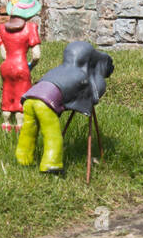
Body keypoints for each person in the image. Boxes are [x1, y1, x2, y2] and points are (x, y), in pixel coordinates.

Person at [16, 42, 114, 174]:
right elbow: (95, 95)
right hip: (46, 102)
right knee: (52, 133)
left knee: (28, 130)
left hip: (29, 98)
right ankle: (52, 164)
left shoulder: (58, 69)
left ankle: (23, 158)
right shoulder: (84, 74)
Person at [0, 0, 42, 132]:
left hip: (6, 66)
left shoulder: (2, 28)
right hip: (21, 65)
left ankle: (6, 123)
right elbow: (36, 55)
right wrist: (30, 66)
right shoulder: (30, 28)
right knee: (21, 94)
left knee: (7, 92)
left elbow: (3, 53)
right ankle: (19, 125)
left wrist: (9, 61)